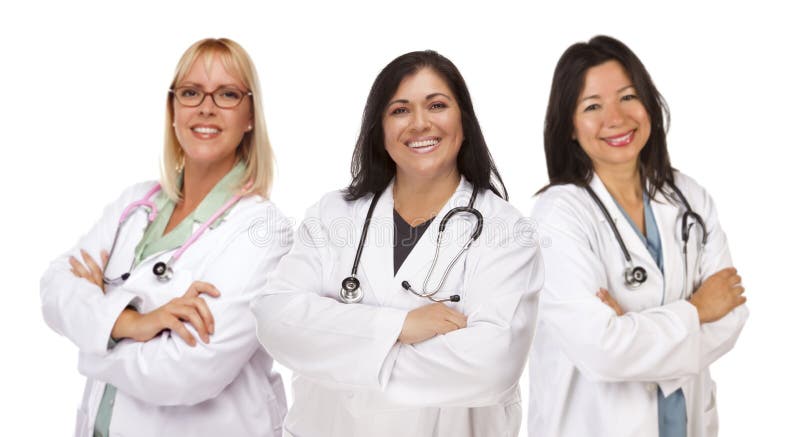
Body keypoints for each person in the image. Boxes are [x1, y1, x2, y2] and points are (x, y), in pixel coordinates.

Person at [251, 50, 542, 437]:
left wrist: (340, 351)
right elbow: (275, 318)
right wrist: (400, 325)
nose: (420, 124)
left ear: (464, 121)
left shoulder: (506, 231)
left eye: (436, 105)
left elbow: (492, 365)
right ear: (380, 129)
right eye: (400, 110)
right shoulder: (333, 215)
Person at [40, 38, 291, 437]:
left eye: (227, 94)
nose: (206, 107)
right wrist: (133, 324)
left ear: (250, 116)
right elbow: (54, 287)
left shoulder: (263, 231)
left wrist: (93, 334)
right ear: (173, 109)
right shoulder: (136, 203)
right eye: (191, 92)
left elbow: (188, 371)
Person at [527, 35, 749, 437]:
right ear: (570, 128)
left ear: (649, 102)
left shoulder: (689, 197)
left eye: (628, 97)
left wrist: (632, 328)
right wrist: (696, 311)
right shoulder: (559, 215)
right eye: (593, 106)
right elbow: (601, 350)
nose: (616, 118)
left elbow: (731, 315)